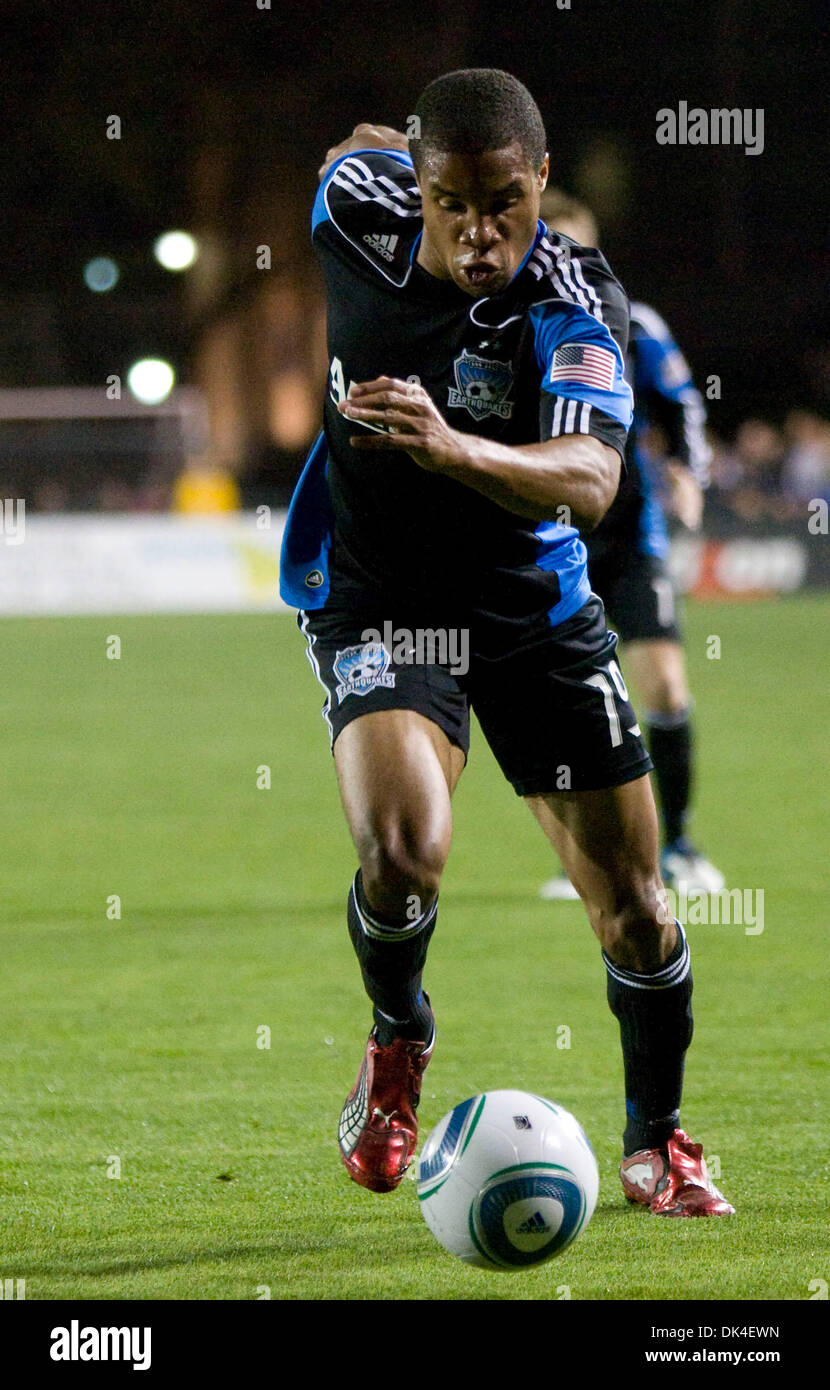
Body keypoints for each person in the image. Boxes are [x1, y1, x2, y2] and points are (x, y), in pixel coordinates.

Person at [280, 69, 733, 1217]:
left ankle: (654, 1141)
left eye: (504, 203)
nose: (480, 232)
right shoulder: (353, 204)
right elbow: (355, 139)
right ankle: (396, 1048)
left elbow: (586, 478)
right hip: (379, 599)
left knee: (633, 901)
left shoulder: (577, 299)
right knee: (400, 850)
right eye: (451, 201)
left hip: (531, 611)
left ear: (539, 181)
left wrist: (452, 448)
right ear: (417, 185)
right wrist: (396, 141)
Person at [537, 190, 724, 901]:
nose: (569, 263)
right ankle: (586, 856)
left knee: (666, 687)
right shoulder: (514, 325)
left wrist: (687, 472)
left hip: (631, 537)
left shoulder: (634, 324)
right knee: (576, 705)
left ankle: (678, 842)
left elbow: (682, 402)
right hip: (553, 542)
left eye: (581, 250)